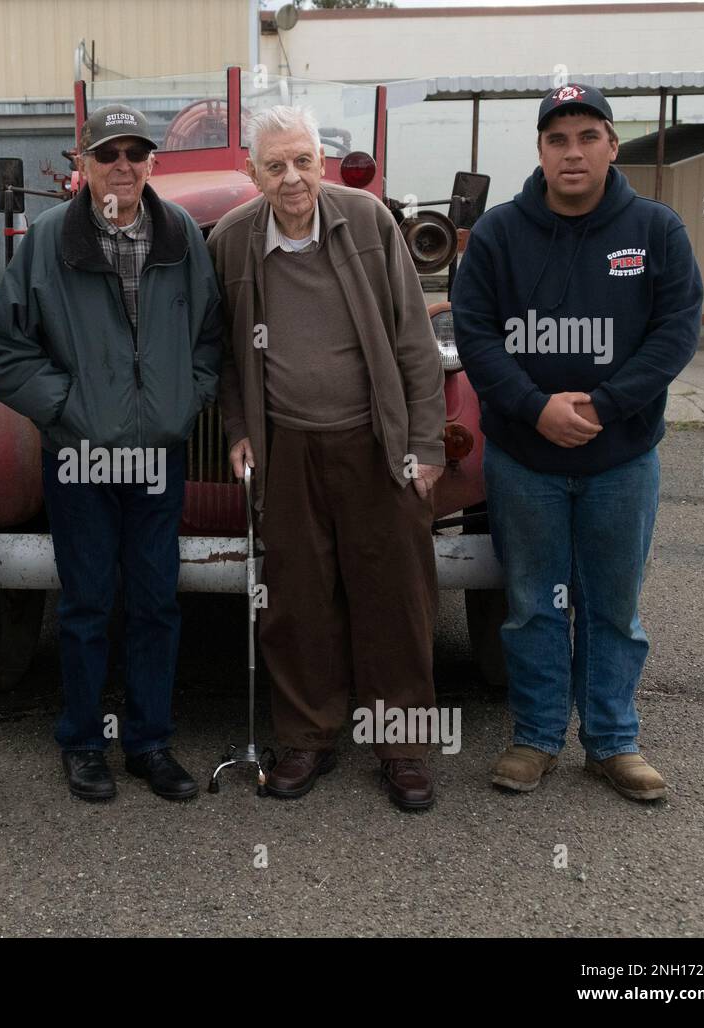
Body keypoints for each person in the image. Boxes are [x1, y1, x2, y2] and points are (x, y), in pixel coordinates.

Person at [452, 84, 703, 801]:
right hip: (523, 459)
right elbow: (475, 333)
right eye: (557, 139)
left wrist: (605, 403)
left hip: (620, 458)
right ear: (540, 150)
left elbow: (677, 328)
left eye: (587, 136)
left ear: (611, 146)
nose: (572, 152)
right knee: (532, 603)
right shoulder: (500, 233)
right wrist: (534, 409)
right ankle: (534, 737)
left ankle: (613, 741)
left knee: (612, 604)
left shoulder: (656, 230)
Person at [208, 105, 446, 810]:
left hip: (377, 444)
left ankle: (402, 748)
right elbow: (223, 355)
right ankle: (307, 738)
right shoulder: (230, 241)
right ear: (253, 173)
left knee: (396, 599)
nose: (291, 179)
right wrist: (238, 427)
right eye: (275, 165)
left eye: (303, 161)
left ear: (322, 162)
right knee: (294, 601)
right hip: (288, 447)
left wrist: (426, 443)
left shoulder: (368, 224)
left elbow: (414, 342)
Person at [0, 104, 222, 803]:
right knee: (87, 603)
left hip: (157, 455)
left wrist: (189, 396)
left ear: (151, 163)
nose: (122, 166)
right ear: (83, 165)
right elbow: (6, 347)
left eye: (135, 154)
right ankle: (84, 742)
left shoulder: (181, 237)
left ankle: (150, 743)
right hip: (80, 456)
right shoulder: (50, 240)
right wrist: (65, 408)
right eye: (108, 154)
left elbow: (211, 332)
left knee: (156, 601)